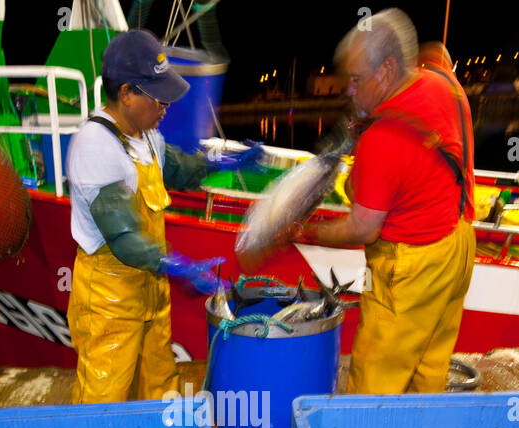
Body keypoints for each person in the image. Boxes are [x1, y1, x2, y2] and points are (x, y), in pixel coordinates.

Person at [65, 28, 262, 404]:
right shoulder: (95, 145)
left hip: (151, 292)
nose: (166, 108)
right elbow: (122, 239)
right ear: (126, 93)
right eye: (158, 98)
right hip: (110, 299)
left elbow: (182, 168)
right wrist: (179, 265)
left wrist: (229, 158)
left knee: (160, 387)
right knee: (103, 398)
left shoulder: (146, 135)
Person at [290, 9, 476, 395]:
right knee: (428, 367)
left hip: (410, 270)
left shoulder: (383, 140)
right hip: (457, 246)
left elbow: (363, 227)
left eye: (356, 80)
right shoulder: (442, 82)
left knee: (375, 379)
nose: (349, 90)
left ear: (388, 69)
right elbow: (435, 51)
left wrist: (307, 233)